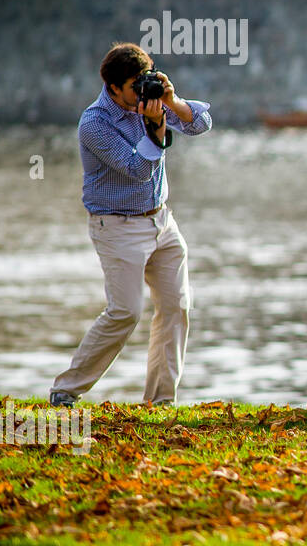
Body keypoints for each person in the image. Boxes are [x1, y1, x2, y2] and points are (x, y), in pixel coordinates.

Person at [50, 42, 213, 407]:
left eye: (145, 80)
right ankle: (67, 389)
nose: (142, 91)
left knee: (176, 306)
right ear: (113, 89)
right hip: (118, 226)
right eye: (134, 86)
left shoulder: (149, 99)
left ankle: (160, 400)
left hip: (161, 221)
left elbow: (201, 122)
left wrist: (171, 103)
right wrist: (155, 127)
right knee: (126, 312)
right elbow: (139, 169)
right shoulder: (95, 123)